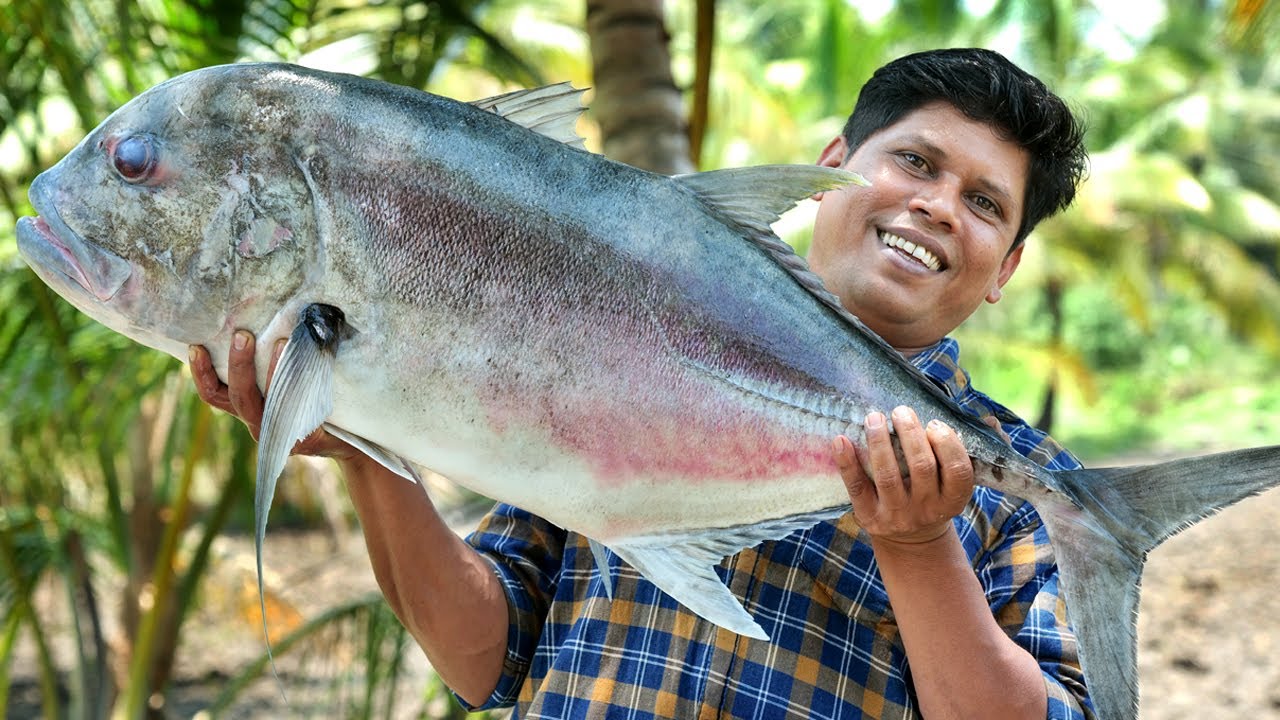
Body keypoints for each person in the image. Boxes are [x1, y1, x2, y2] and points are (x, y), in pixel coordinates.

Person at [190, 48, 1091, 719]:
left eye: (985, 203)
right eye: (918, 163)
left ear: (1005, 267)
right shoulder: (595, 337)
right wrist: (359, 438)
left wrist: (921, 546)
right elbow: (483, 659)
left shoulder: (1023, 490)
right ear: (831, 166)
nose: (937, 204)